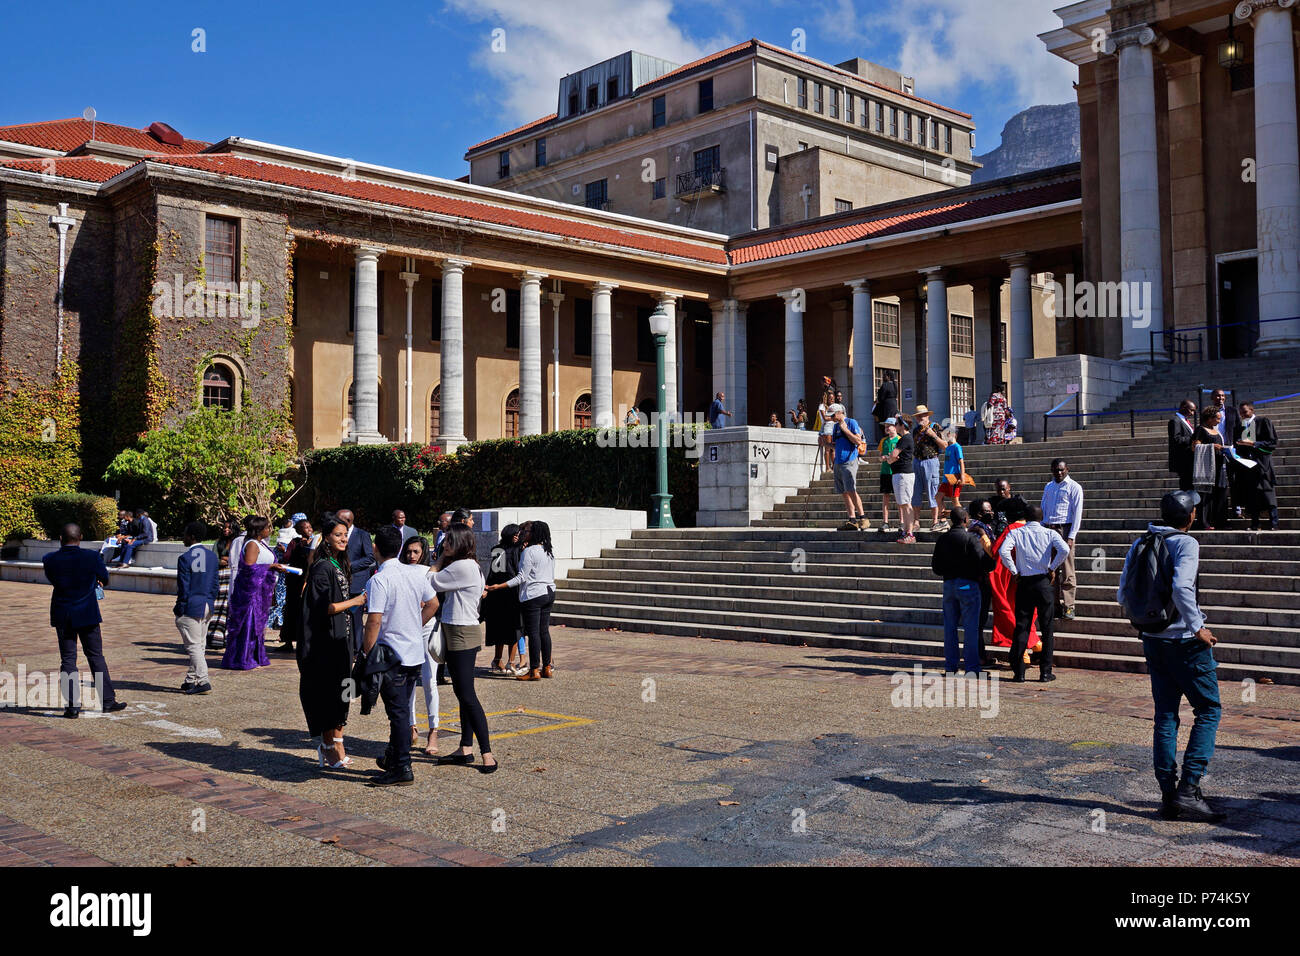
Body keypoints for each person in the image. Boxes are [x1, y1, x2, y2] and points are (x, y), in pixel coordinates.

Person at [1116, 490, 1224, 822]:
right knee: (1208, 709)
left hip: (1153, 638)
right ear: (1190, 517)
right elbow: (1181, 587)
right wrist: (1197, 627)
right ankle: (1188, 790)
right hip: (1183, 641)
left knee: (1165, 715)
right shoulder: (1186, 543)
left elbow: (1122, 591)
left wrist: (1148, 621)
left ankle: (1168, 794)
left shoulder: (1141, 541)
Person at [364, 526, 441, 786]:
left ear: (375, 549)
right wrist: (414, 624)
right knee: (401, 710)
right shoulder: (415, 575)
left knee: (397, 714)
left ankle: (402, 767)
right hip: (412, 653)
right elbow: (433, 604)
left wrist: (367, 653)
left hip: (391, 654)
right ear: (399, 548)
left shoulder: (379, 579)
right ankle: (393, 757)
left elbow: (374, 620)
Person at [298, 514, 366, 770]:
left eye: (345, 535)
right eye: (338, 535)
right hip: (326, 644)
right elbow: (323, 607)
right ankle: (329, 746)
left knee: (344, 692)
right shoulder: (322, 567)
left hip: (343, 641)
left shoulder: (338, 563)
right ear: (326, 537)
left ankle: (338, 742)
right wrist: (356, 601)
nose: (343, 539)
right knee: (329, 695)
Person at [428, 524, 497, 772]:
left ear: (459, 543)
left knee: (467, 694)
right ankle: (465, 748)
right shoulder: (471, 565)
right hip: (460, 629)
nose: (444, 545)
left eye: (448, 541)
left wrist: (438, 561)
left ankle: (486, 752)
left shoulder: (460, 566)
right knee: (462, 692)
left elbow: (430, 582)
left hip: (460, 632)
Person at [42, 524, 127, 718]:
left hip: (63, 612)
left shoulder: (49, 559)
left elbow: (53, 579)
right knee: (96, 656)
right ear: (80, 537)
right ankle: (107, 700)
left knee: (68, 659)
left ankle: (72, 706)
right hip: (87, 612)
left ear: (61, 538)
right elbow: (105, 578)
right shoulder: (91, 557)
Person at [998, 504, 1069, 682]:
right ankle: (1045, 671)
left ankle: (1019, 672)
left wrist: (1014, 571)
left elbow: (1003, 551)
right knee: (1047, 628)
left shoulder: (1016, 533)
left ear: (1025, 517)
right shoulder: (1050, 533)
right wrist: (1052, 567)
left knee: (1022, 626)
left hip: (1025, 581)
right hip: (1043, 581)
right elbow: (1065, 550)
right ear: (1041, 518)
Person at [489, 519, 557, 680]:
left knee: (533, 633)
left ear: (534, 534)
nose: (523, 534)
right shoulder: (548, 551)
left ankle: (533, 670)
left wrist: (499, 586)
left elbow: (521, 577)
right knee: (544, 631)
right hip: (549, 592)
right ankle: (546, 667)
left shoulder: (529, 551)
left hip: (534, 595)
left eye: (527, 532)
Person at [931, 507, 995, 676]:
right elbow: (987, 563)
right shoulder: (969, 538)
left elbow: (936, 567)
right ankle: (972, 667)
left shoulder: (943, 539)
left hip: (949, 585)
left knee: (949, 628)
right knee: (971, 628)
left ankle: (951, 667)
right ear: (965, 519)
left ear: (952, 520)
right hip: (968, 585)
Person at [220, 516, 288, 671]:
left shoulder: (261, 544)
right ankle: (242, 657)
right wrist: (270, 566)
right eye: (267, 527)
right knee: (248, 624)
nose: (269, 530)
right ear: (259, 530)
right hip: (249, 593)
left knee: (257, 625)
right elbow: (249, 567)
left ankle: (255, 655)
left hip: (260, 591)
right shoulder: (251, 544)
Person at [400, 535, 442, 756]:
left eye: (416, 551)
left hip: (426, 627)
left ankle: (433, 730)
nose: (411, 556)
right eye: (408, 551)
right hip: (407, 628)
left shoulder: (428, 572)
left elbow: (432, 603)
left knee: (429, 679)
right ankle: (411, 726)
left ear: (424, 552)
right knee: (408, 680)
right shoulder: (401, 570)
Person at [989, 495, 1037, 660]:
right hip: (1033, 577)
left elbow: (997, 552)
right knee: (1029, 615)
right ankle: (1036, 645)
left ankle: (1023, 650)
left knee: (1014, 613)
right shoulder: (1036, 528)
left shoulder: (1011, 530)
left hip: (1012, 580)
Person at [175, 522, 219, 695]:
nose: (183, 537)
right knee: (200, 644)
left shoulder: (185, 558)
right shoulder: (212, 556)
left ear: (192, 536)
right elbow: (215, 584)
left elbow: (183, 588)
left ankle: (203, 679)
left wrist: (180, 608)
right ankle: (191, 679)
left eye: (185, 534)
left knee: (193, 646)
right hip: (207, 604)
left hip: (191, 605)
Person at [1040, 459, 1083, 620]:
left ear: (1067, 469)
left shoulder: (1074, 487)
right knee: (1052, 570)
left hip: (1065, 528)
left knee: (1067, 570)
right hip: (1050, 528)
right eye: (1056, 470)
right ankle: (1055, 605)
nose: (1059, 473)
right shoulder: (1049, 487)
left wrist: (1071, 536)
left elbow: (1077, 513)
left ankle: (1069, 605)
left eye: (1061, 470)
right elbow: (1044, 507)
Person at [484, 524, 525, 675]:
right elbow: (495, 572)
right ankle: (500, 660)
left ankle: (510, 661)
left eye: (518, 534)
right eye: (514, 533)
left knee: (513, 629)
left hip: (509, 592)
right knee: (506, 629)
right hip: (504, 593)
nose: (517, 536)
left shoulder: (514, 549)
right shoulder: (502, 550)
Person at [1233, 402, 1279, 531]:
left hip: (1263, 465)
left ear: (1252, 410)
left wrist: (1254, 443)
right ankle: (1255, 523)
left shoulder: (1263, 421)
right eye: (1241, 413)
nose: (1243, 415)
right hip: (1248, 466)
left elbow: (1272, 442)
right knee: (1252, 496)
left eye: (1245, 412)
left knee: (1268, 494)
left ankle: (1274, 523)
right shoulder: (1242, 425)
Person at [337, 509, 375, 657]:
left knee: (356, 619)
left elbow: (369, 558)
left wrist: (350, 566)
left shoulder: (362, 535)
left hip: (356, 582)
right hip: (339, 582)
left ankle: (357, 650)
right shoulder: (335, 535)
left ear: (348, 521)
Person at [967, 498, 998, 665]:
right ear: (979, 513)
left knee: (980, 619)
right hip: (979, 580)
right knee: (978, 620)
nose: (992, 513)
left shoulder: (984, 527)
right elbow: (980, 554)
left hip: (984, 579)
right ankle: (977, 656)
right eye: (988, 511)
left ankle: (980, 654)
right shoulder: (976, 530)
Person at [830, 404, 871, 531]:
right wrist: (824, 443)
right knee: (844, 492)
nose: (830, 418)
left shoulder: (851, 422)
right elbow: (836, 445)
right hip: (838, 461)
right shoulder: (835, 426)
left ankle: (863, 518)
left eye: (832, 415)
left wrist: (845, 429)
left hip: (849, 460)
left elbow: (858, 441)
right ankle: (852, 519)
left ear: (839, 413)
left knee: (851, 490)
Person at [911, 405, 948, 533]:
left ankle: (935, 521)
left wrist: (934, 436)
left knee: (933, 492)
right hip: (917, 461)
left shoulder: (936, 427)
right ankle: (916, 521)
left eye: (923, 415)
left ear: (928, 416)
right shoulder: (916, 430)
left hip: (931, 461)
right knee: (916, 493)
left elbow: (945, 445)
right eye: (919, 416)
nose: (921, 418)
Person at [280, 517, 314, 651]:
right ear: (299, 530)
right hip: (295, 580)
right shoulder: (295, 542)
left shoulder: (316, 541)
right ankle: (287, 640)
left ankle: (304, 640)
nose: (309, 529)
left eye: (310, 527)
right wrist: (300, 546)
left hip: (307, 579)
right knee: (291, 609)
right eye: (306, 527)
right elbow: (287, 557)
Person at [1192, 408, 1229, 530]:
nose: (1219, 421)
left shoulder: (1216, 431)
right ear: (1209, 418)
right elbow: (1195, 446)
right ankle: (1204, 523)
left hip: (1220, 467)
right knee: (1206, 496)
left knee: (1221, 494)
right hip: (1207, 468)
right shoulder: (1200, 430)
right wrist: (1212, 446)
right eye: (1217, 418)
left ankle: (1220, 522)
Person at [205, 517, 238, 649]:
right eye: (224, 527)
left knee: (229, 608)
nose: (226, 530)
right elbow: (214, 559)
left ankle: (228, 638)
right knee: (219, 607)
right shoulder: (218, 543)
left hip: (233, 578)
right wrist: (221, 561)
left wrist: (227, 559)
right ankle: (215, 638)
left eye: (229, 528)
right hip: (221, 578)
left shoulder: (238, 542)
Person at [882, 418, 916, 543]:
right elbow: (891, 457)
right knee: (903, 504)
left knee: (906, 504)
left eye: (896, 424)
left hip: (903, 474)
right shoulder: (903, 439)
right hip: (899, 473)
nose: (894, 426)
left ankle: (910, 533)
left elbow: (893, 455)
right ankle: (906, 531)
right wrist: (890, 458)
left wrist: (890, 458)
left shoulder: (906, 438)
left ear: (902, 425)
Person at [266, 516, 296, 633]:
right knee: (279, 599)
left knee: (284, 600)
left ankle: (281, 622)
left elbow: (292, 557)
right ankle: (277, 622)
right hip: (279, 574)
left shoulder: (294, 536)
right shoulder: (281, 535)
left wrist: (285, 550)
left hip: (289, 573)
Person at [934, 427, 969, 524]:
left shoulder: (957, 447)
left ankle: (963, 521)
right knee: (938, 497)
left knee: (955, 501)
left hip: (954, 478)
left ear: (953, 434)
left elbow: (961, 461)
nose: (945, 436)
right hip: (946, 479)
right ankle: (943, 519)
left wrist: (962, 476)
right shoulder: (948, 448)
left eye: (947, 434)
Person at [1167, 400, 1197, 492]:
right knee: (1186, 485)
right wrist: (1192, 439)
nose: (1192, 413)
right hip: (1183, 461)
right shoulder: (1175, 420)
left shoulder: (1185, 420)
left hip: (1190, 459)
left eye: (1194, 411)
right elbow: (1176, 439)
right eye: (1191, 410)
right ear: (1183, 407)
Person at [877, 421, 900, 532]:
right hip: (885, 471)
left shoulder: (900, 439)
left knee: (899, 498)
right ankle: (885, 522)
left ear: (895, 427)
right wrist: (882, 458)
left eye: (888, 426)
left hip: (896, 471)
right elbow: (880, 456)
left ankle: (902, 522)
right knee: (886, 496)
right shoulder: (884, 441)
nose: (886, 428)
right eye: (885, 426)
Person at [872, 370, 898, 441]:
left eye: (884, 375)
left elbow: (881, 398)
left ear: (888, 376)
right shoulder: (894, 385)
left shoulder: (885, 385)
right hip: (894, 406)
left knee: (885, 423)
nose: (883, 377)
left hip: (886, 407)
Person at [816, 388, 836, 472]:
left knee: (833, 449)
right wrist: (833, 418)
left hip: (833, 428)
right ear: (826, 398)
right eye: (830, 398)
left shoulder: (833, 407)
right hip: (827, 428)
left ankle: (834, 467)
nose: (832, 400)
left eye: (833, 399)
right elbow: (824, 418)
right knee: (827, 449)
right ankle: (827, 468)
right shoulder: (822, 406)